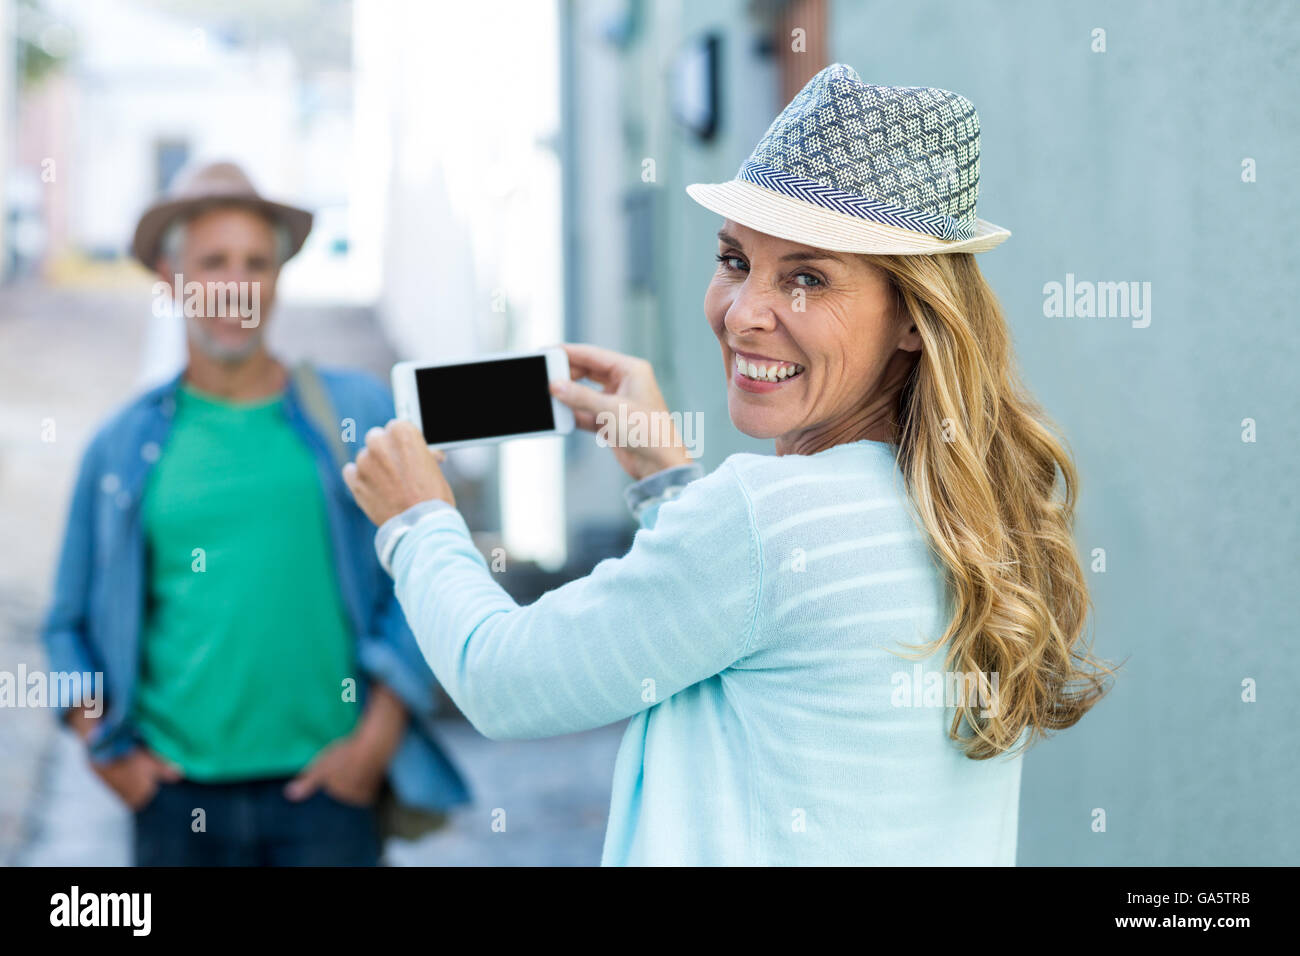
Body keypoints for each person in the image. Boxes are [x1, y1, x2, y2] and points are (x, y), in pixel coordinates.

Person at [345, 65, 1113, 865]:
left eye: (807, 278)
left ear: (914, 319)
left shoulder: (765, 518)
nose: (744, 313)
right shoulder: (976, 515)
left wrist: (417, 520)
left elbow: (500, 679)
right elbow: (761, 631)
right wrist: (669, 482)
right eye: (736, 260)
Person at [41, 161, 470, 866]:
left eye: (256, 262)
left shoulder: (355, 413)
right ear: (170, 279)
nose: (236, 285)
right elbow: (64, 626)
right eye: (213, 263)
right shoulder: (120, 448)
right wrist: (105, 754)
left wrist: (376, 741)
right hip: (175, 805)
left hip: (329, 800)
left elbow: (421, 578)